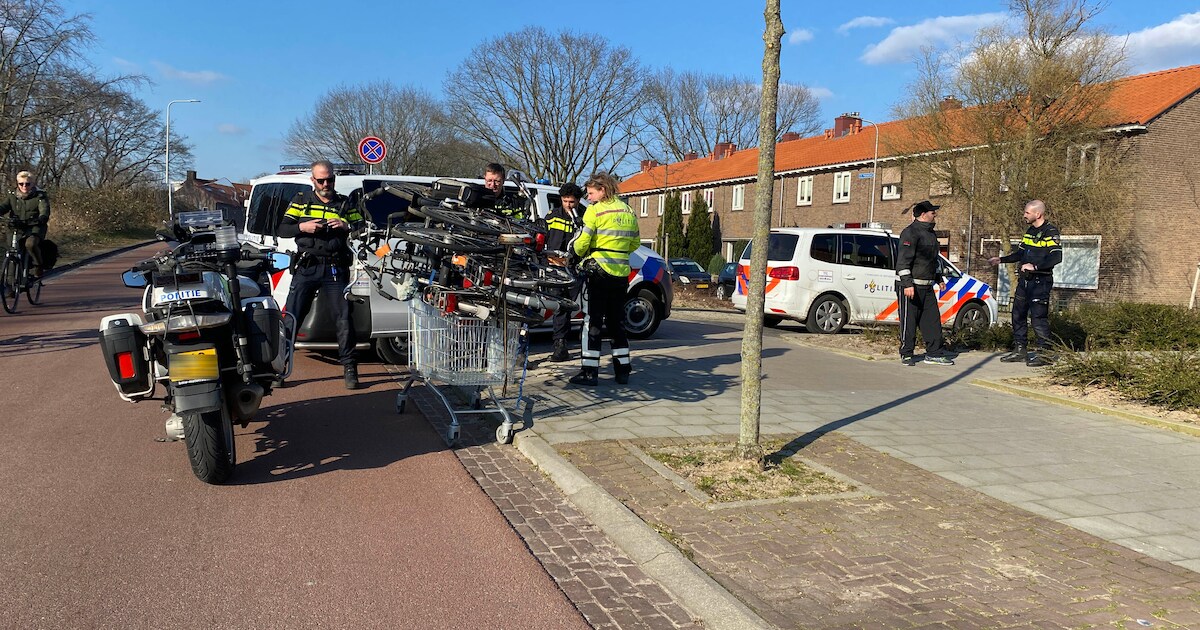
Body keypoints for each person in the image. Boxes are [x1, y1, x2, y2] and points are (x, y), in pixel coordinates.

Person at [277, 160, 365, 389]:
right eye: (321, 180)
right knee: (292, 316)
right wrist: (302, 228)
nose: (326, 184)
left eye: (330, 180)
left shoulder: (345, 203)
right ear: (312, 180)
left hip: (335, 266)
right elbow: (282, 228)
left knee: (344, 318)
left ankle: (349, 368)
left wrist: (345, 225)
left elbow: (363, 228)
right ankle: (280, 368)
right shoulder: (300, 201)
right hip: (308, 266)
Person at [568, 172, 640, 386]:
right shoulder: (628, 211)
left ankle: (590, 372)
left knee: (593, 322)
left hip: (598, 273)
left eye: (590, 193)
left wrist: (580, 251)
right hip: (621, 275)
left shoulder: (595, 211)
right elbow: (635, 244)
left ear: (603, 190)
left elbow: (581, 244)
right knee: (617, 322)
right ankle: (623, 371)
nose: (588, 198)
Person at [988, 199, 1062, 367]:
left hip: (1040, 282)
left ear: (1038, 214)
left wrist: (1035, 266)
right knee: (1017, 315)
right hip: (1024, 282)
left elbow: (1057, 257)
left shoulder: (1050, 232)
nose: (1024, 215)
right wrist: (1001, 259)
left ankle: (1045, 354)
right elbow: (1020, 254)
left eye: (1027, 213)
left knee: (1038, 318)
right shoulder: (1029, 231)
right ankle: (1020, 350)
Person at [896, 200, 953, 366]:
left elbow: (932, 260)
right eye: (932, 212)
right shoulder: (910, 233)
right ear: (923, 214)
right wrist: (907, 284)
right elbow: (903, 261)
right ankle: (906, 353)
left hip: (926, 285)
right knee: (909, 320)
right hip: (910, 286)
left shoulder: (931, 234)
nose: (935, 214)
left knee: (932, 320)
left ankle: (934, 353)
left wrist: (938, 278)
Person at [544, 183, 585, 362]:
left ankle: (567, 344)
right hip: (555, 268)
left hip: (574, 268)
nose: (568, 204)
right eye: (565, 201)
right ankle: (559, 345)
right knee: (559, 307)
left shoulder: (583, 219)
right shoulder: (552, 217)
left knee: (568, 307)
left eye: (572, 201)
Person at [0, 171, 51, 278]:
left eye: (27, 184)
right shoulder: (12, 196)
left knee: (30, 244)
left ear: (33, 184)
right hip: (16, 227)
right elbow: (4, 206)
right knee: (12, 251)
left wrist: (42, 218)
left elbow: (44, 209)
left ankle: (38, 265)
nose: (24, 186)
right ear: (17, 184)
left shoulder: (40, 195)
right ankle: (10, 284)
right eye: (21, 184)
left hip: (34, 227)